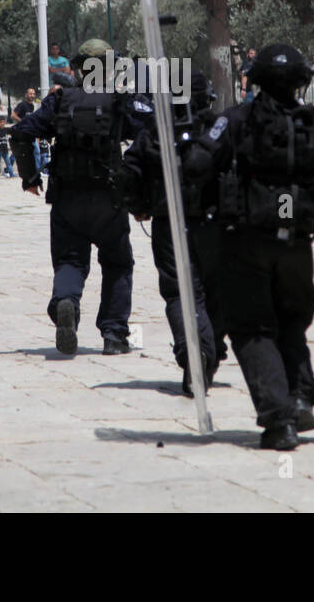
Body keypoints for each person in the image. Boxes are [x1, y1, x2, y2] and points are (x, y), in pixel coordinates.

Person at [182, 44, 314, 450]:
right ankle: (301, 395)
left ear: (254, 79)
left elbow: (197, 164)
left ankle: (278, 420)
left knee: (254, 328)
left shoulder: (233, 121)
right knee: (291, 323)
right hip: (297, 246)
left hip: (245, 242)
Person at [9, 39, 153, 357]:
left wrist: (30, 177)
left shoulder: (60, 101)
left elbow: (20, 134)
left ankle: (66, 304)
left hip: (67, 198)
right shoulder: (120, 101)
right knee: (117, 263)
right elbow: (152, 131)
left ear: (77, 68)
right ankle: (114, 335)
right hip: (110, 199)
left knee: (70, 261)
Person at [115, 71, 222, 394]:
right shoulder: (218, 129)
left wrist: (138, 207)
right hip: (213, 224)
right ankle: (205, 352)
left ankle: (195, 352)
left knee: (179, 292)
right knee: (214, 291)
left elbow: (126, 174)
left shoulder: (154, 131)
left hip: (168, 222)